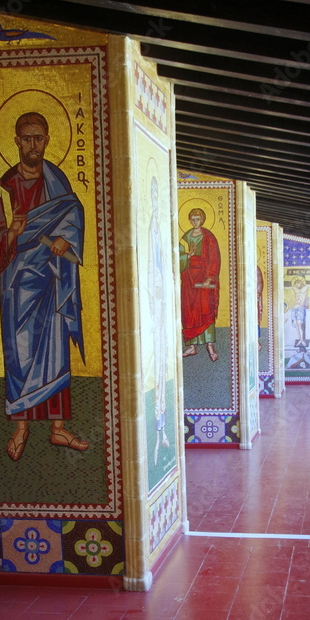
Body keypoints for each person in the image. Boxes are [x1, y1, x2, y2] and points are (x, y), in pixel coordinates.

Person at [0, 111, 89, 461]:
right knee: (20, 353)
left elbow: (73, 212)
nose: (32, 145)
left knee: (54, 350)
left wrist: (65, 241)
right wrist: (12, 233)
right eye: (26, 138)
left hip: (51, 277)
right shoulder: (3, 189)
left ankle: (57, 429)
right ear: (16, 141)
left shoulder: (55, 179)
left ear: (46, 140)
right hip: (16, 283)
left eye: (38, 138)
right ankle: (22, 427)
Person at [147, 176, 170, 464]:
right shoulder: (149, 225)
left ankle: (162, 429)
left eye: (157, 193)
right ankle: (158, 429)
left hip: (162, 306)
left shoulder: (158, 227)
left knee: (163, 366)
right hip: (154, 307)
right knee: (156, 367)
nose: (154, 199)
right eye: (152, 193)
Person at [179, 207, 220, 361]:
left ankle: (209, 344)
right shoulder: (186, 236)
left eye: (198, 219)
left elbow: (214, 258)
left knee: (205, 310)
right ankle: (191, 346)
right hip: (189, 277)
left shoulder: (208, 236)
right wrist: (186, 256)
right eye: (192, 219)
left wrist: (209, 278)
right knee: (189, 310)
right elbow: (178, 254)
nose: (195, 222)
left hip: (204, 277)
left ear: (202, 220)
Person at [290, 275, 309, 347]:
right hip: (295, 308)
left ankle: (302, 340)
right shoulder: (295, 289)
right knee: (296, 324)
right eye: (296, 284)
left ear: (301, 283)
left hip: (301, 308)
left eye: (298, 283)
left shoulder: (305, 288)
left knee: (299, 323)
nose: (297, 285)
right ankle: (300, 339)